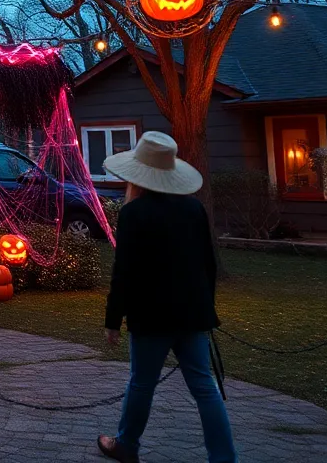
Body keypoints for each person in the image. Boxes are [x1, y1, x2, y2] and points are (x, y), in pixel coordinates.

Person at [97, 132, 236, 463]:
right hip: (192, 314)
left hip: (151, 316)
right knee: (204, 388)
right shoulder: (194, 208)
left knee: (142, 384)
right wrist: (206, 307)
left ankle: (127, 445)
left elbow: (124, 273)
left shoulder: (133, 213)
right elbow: (208, 264)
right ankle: (224, 457)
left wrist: (112, 321)